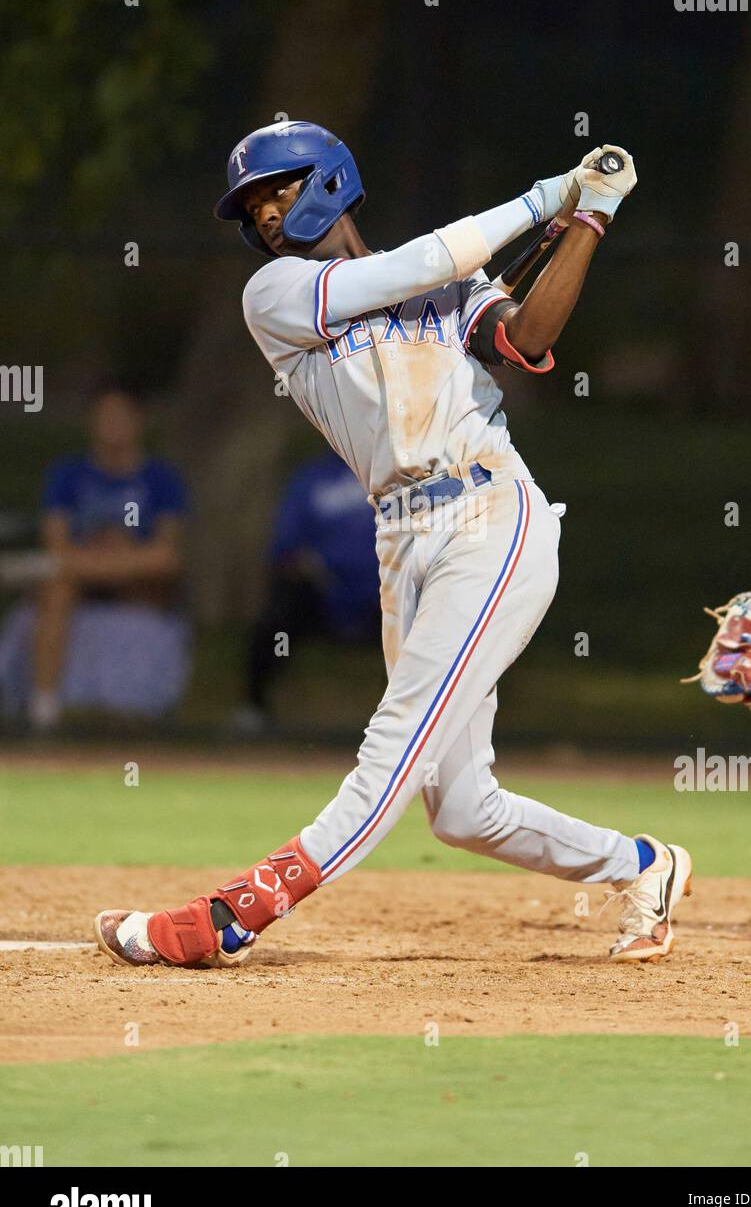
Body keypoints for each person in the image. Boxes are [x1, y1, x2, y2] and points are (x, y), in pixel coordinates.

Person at [96, 119, 691, 971]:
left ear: (330, 178)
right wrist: (541, 200)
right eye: (253, 207)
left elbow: (526, 339)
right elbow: (415, 267)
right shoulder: (277, 295)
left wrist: (587, 219)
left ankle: (235, 914)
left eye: (279, 189)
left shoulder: (454, 288)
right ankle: (643, 865)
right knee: (461, 809)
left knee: (396, 739)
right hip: (398, 542)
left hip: (491, 519)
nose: (267, 215)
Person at [0, 382, 189, 728]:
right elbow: (56, 542)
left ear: (138, 421)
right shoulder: (67, 474)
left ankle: (139, 716)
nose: (112, 425)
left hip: (136, 581)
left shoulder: (161, 479)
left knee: (156, 566)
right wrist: (96, 553)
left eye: (121, 417)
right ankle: (44, 710)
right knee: (56, 585)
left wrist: (118, 555)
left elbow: (166, 553)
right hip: (78, 578)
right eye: (105, 417)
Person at [232, 451, 380, 733]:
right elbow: (286, 552)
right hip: (325, 595)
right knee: (280, 613)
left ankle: (439, 718)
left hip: (389, 596)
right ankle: (253, 709)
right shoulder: (312, 479)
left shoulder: (406, 471)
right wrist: (310, 569)